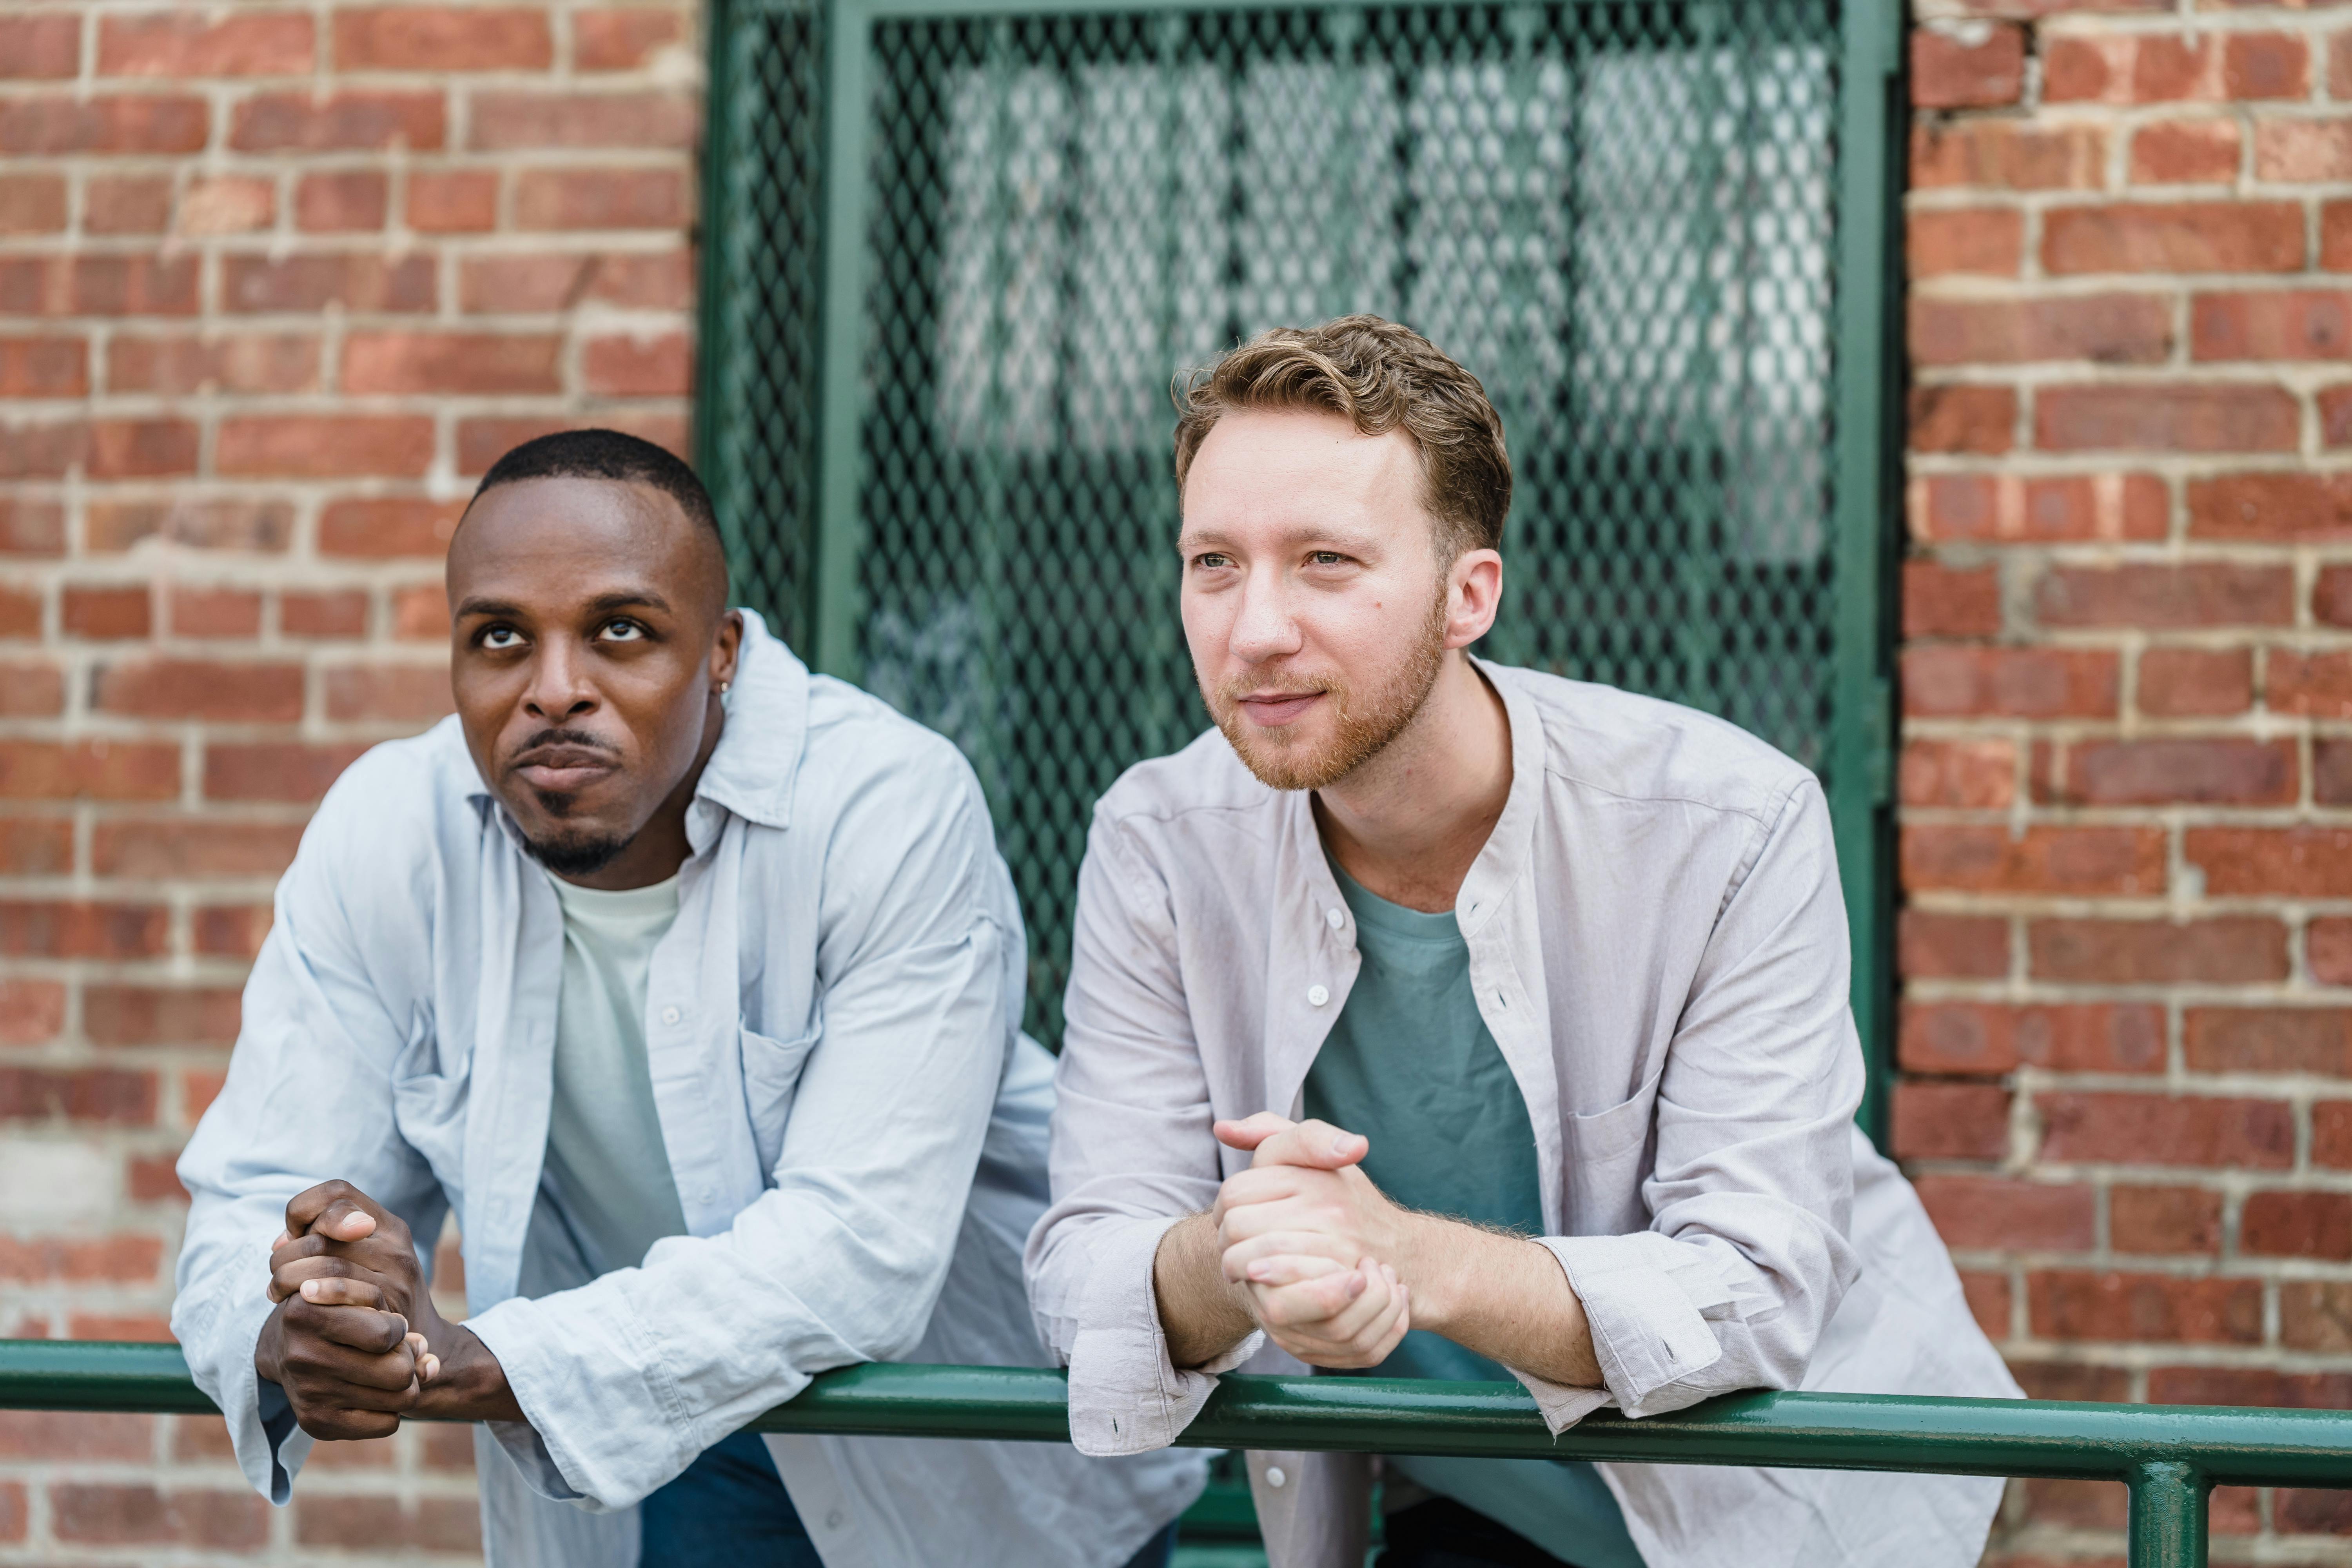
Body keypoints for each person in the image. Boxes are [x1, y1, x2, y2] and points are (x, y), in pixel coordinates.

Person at [1023, 318, 2020, 1568]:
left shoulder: (1728, 823)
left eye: (1326, 560)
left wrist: (1405, 1258)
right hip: (1482, 1507)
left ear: (1469, 594)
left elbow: (1755, 1290)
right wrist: (1250, 1255)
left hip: (1782, 1510)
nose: (1254, 628)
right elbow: (1085, 1273)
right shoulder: (1160, 840)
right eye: (1214, 562)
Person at [171, 430, 1201, 1568]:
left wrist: (492, 1362)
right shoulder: (390, 832)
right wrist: (305, 1313)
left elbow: (860, 1248)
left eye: (621, 631)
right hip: (681, 1423)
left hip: (964, 1444)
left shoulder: (882, 806)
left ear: (721, 654)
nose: (553, 690)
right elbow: (258, 1185)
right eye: (500, 637)